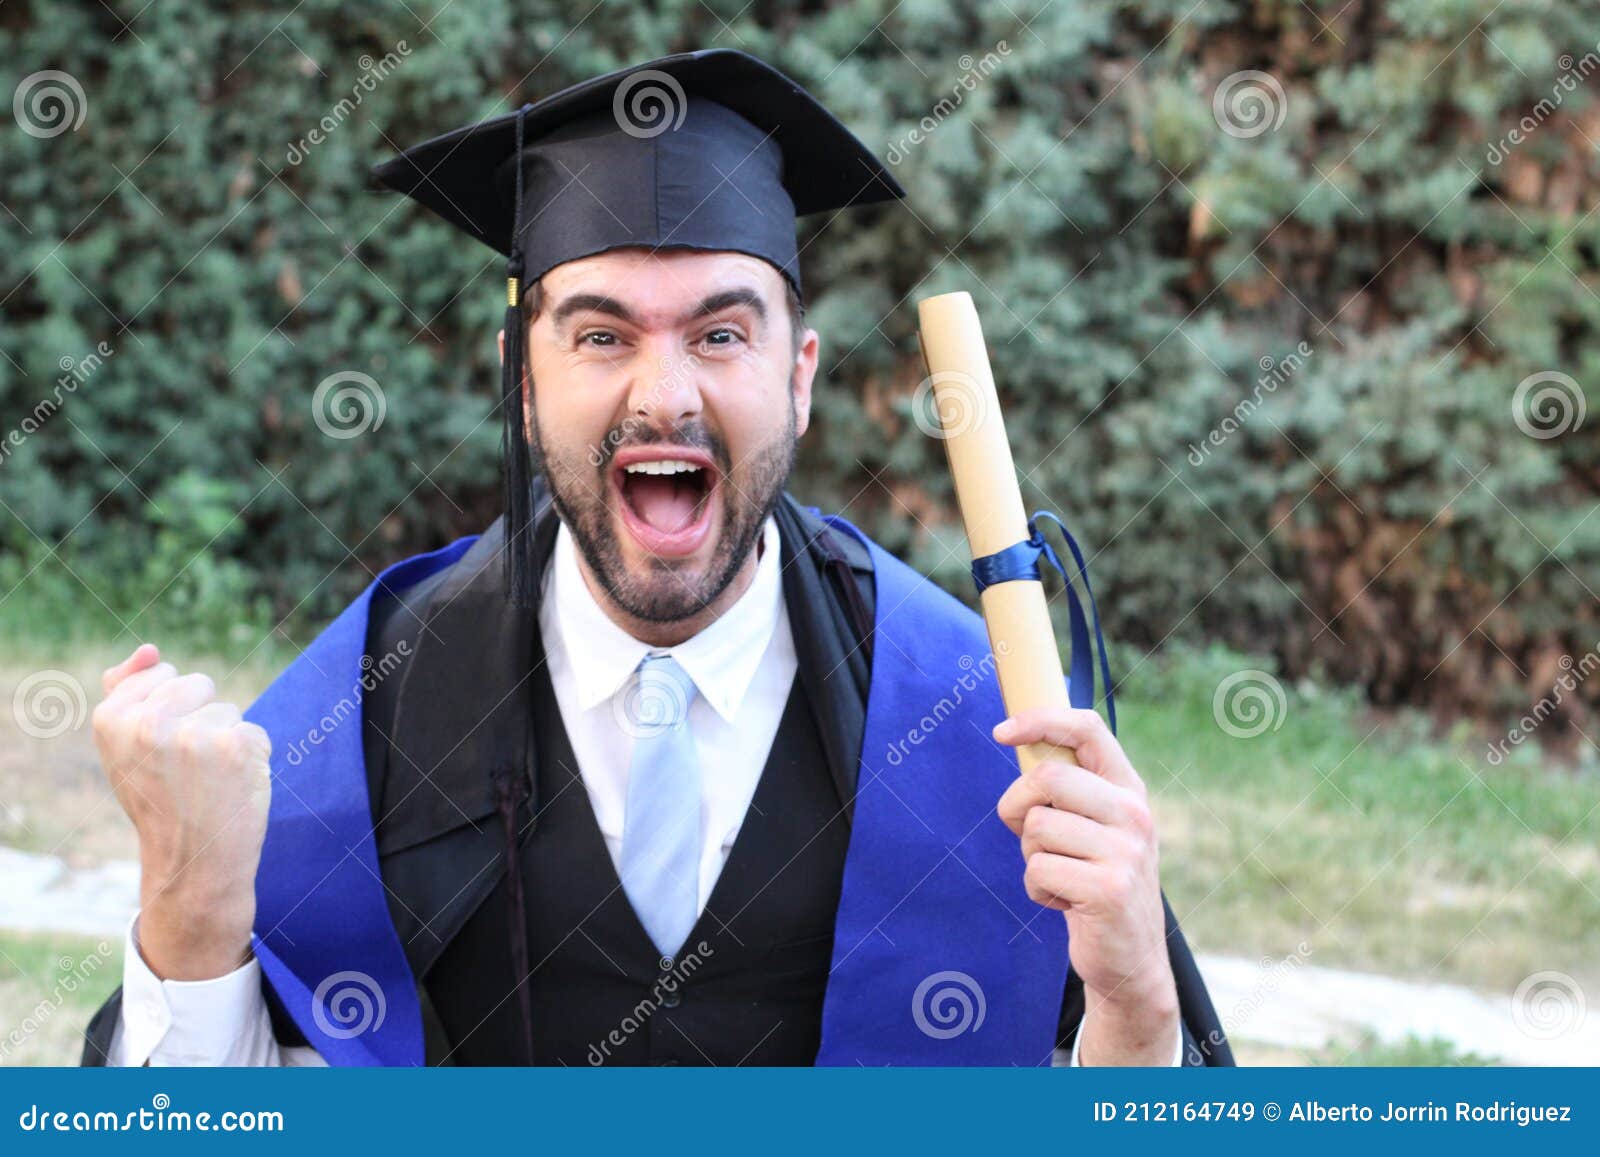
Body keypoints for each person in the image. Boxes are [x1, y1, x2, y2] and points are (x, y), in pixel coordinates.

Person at [80, 48, 1232, 1067]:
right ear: (522, 381)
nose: (666, 394)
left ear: (801, 374)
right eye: (600, 335)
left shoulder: (973, 721)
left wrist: (1133, 1001)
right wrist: (189, 919)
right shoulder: (366, 711)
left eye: (722, 334)